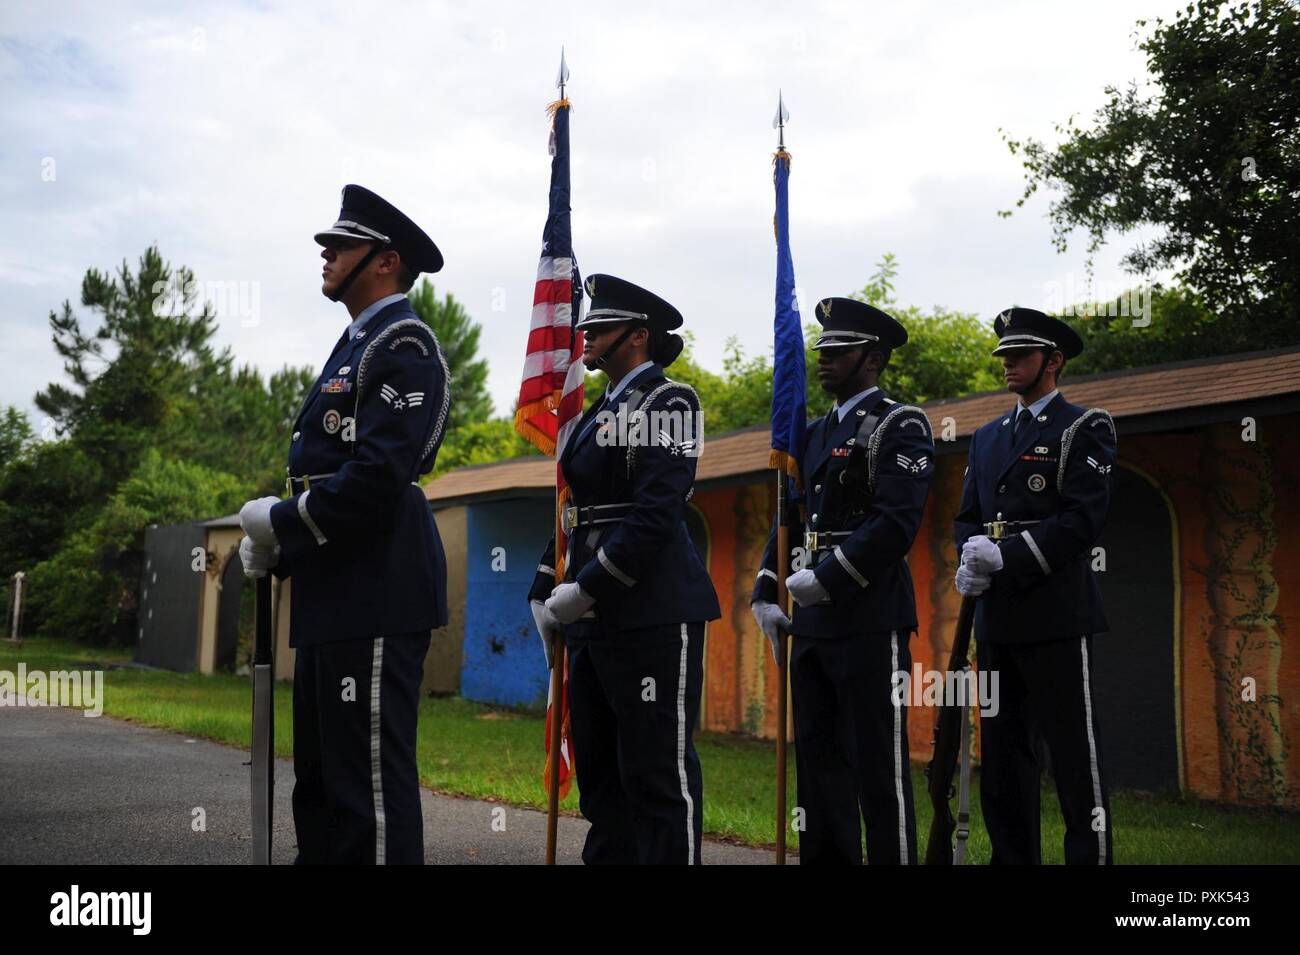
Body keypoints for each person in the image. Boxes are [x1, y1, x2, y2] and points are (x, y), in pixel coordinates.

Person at [238, 184, 452, 865]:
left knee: (369, 798)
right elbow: (326, 468)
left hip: (377, 586)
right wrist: (283, 549)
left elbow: (380, 474)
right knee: (323, 788)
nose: (325, 253)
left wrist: (284, 520)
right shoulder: (355, 343)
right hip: (334, 585)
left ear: (385, 260)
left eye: (341, 244)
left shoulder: (405, 342)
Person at [527, 273, 720, 864]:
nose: (585, 337)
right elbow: (573, 510)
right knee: (603, 779)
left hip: (650, 614)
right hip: (591, 620)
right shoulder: (593, 415)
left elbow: (656, 515)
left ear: (637, 337)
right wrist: (543, 586)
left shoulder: (672, 402)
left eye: (599, 328)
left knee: (657, 774)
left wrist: (586, 587)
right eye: (585, 326)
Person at [750, 297, 935, 864]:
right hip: (810, 623)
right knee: (819, 767)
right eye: (822, 350)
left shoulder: (899, 424)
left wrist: (828, 578)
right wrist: (765, 588)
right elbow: (790, 515)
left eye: (840, 350)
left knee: (877, 767)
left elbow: (895, 523)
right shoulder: (809, 432)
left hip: (867, 616)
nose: (825, 359)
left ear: (873, 358)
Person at [953, 306, 1116, 865]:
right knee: (1003, 758)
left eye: (1019, 355)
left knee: (1074, 757)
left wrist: (1008, 555)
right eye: (1003, 356)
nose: (1008, 365)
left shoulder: (1084, 426)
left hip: (1055, 613)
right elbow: (968, 516)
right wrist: (970, 556)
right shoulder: (989, 435)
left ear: (1054, 360)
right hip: (997, 618)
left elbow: (1080, 521)